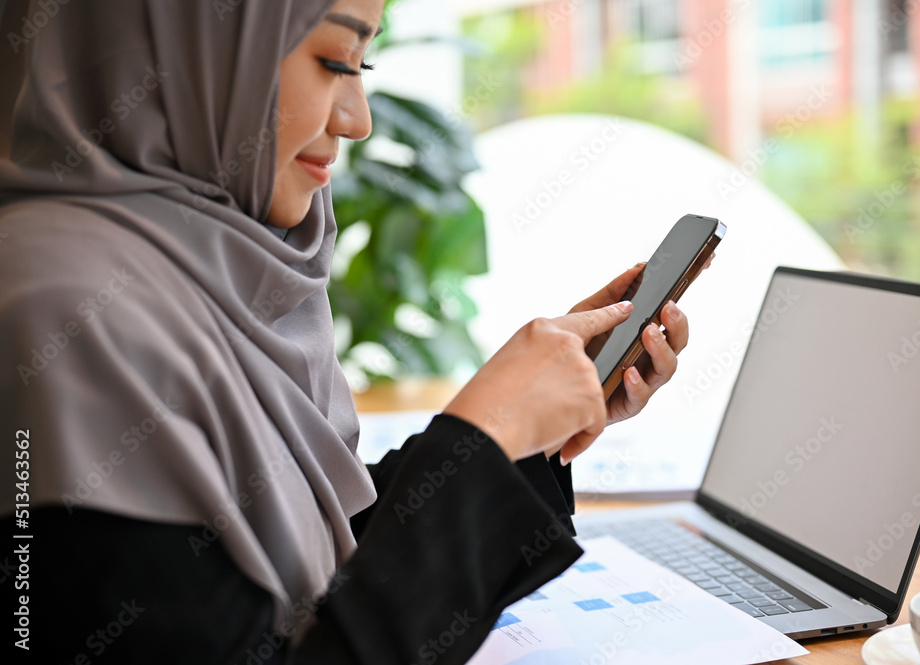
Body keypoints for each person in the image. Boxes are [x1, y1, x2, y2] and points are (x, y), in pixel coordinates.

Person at [0, 0, 691, 662]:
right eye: (336, 59)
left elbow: (323, 536)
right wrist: (485, 439)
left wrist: (524, 435)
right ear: (181, 49)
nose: (359, 119)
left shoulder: (202, 263)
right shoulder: (66, 308)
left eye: (367, 65)